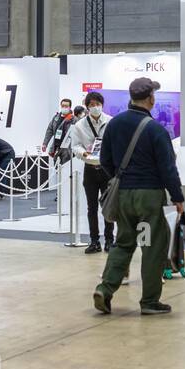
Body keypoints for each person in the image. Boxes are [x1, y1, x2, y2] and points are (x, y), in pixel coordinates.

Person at [92, 77, 184, 317]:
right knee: (152, 246)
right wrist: (178, 197)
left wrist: (121, 178)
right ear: (151, 98)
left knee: (123, 243)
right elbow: (168, 168)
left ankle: (105, 289)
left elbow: (104, 161)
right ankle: (150, 301)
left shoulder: (114, 124)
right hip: (149, 197)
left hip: (123, 195)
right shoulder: (155, 129)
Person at [69, 91, 113, 253]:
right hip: (90, 169)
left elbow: (116, 142)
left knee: (109, 206)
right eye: (92, 105)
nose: (95, 107)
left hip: (107, 169)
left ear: (102, 105)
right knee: (91, 207)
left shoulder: (110, 121)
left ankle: (110, 240)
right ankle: (94, 241)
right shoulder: (80, 125)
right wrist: (84, 154)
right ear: (87, 107)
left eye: (98, 104)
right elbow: (75, 146)